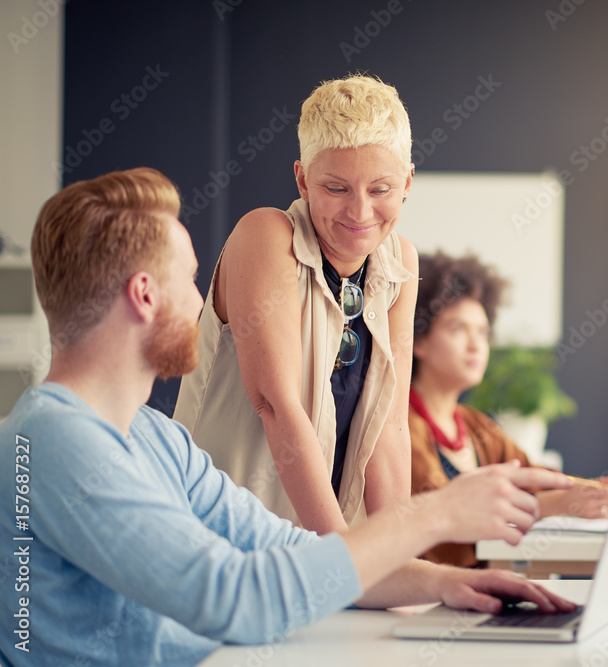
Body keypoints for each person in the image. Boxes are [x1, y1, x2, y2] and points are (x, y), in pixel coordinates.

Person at [0, 168, 577, 666]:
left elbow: (289, 551)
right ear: (144, 295)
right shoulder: (53, 442)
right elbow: (236, 599)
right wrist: (432, 516)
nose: (202, 302)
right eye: (190, 280)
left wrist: (451, 583)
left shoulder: (155, 440)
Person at [174, 75, 419, 534]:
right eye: (336, 188)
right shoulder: (266, 235)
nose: (360, 212)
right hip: (215, 541)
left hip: (313, 551)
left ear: (407, 182)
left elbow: (390, 426)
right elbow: (276, 404)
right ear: (303, 180)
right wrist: (347, 560)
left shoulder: (399, 260)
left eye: (381, 190)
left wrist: (392, 556)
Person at [409, 252, 608, 567]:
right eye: (458, 329)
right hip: (431, 603)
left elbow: (534, 476)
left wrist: (606, 494)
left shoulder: (473, 425)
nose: (476, 345)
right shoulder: (401, 427)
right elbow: (437, 529)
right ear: (419, 341)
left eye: (482, 332)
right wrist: (548, 506)